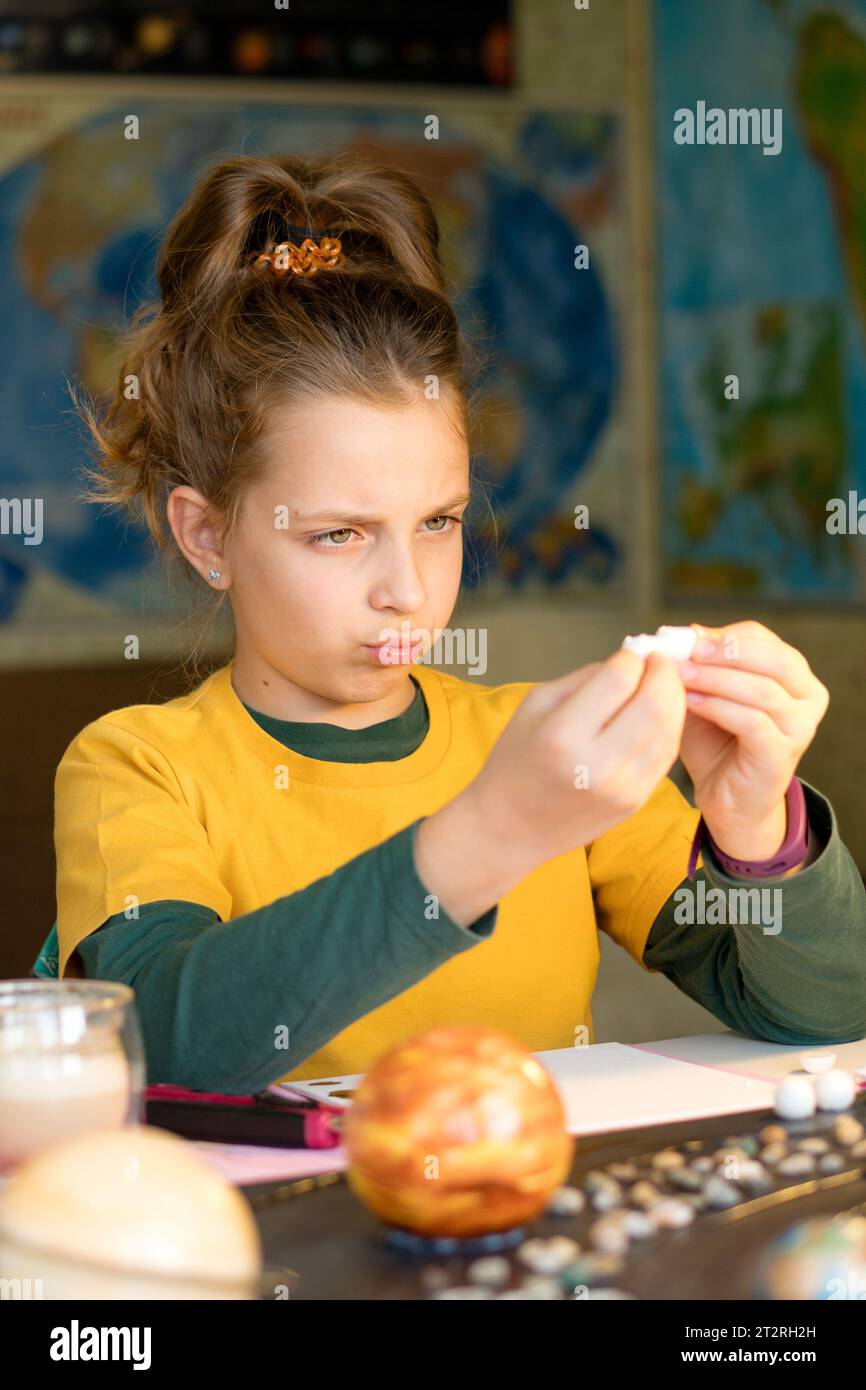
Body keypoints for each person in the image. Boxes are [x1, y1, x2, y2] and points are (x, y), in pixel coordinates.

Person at [38, 152, 866, 1092]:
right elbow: (166, 1048)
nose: (407, 589)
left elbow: (825, 1012)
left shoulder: (542, 749)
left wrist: (760, 827)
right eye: (339, 534)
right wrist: (487, 836)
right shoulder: (136, 769)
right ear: (206, 534)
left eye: (438, 522)